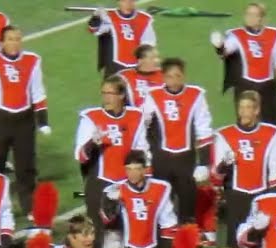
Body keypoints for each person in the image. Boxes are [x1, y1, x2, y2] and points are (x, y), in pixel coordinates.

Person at [0, 25, 49, 214]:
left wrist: (42, 120)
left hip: (24, 122)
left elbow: (38, 90)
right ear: (2, 42)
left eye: (17, 39)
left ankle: (29, 207)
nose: (14, 43)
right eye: (10, 39)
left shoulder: (32, 60)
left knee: (26, 167)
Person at [141, 57, 213, 221]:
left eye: (178, 76)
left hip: (185, 159)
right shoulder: (153, 96)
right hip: (161, 159)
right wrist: (147, 156)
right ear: (163, 77)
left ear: (184, 76)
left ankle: (187, 241)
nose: (174, 80)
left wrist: (203, 163)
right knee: (159, 205)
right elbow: (143, 127)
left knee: (188, 206)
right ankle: (161, 242)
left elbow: (204, 129)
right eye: (170, 76)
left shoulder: (196, 95)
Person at [74, 77, 149, 230]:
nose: (106, 98)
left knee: (131, 231)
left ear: (122, 95)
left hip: (128, 183)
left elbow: (143, 150)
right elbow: (79, 155)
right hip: (100, 183)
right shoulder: (90, 117)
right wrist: (92, 144)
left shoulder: (136, 116)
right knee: (100, 233)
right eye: (104, 93)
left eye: (111, 93)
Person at [211, 90, 276, 246]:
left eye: (248, 108)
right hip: (236, 194)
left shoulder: (271, 134)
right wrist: (225, 164)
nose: (243, 112)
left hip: (262, 193)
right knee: (234, 238)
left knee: (265, 236)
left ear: (256, 110)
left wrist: (273, 198)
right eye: (241, 108)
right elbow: (216, 175)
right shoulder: (225, 135)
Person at [211, 2, 276, 126]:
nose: (250, 17)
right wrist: (219, 46)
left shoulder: (273, 35)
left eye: (254, 14)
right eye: (248, 14)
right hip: (245, 85)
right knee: (246, 121)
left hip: (268, 86)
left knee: (270, 123)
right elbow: (225, 52)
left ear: (262, 18)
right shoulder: (237, 35)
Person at [88, 0, 157, 77]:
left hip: (136, 67)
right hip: (114, 67)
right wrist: (96, 17)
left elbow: (149, 44)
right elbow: (93, 30)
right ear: (119, 2)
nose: (129, 2)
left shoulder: (144, 19)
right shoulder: (109, 17)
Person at [117, 45, 164, 109]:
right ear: (140, 61)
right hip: (134, 115)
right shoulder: (124, 76)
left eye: (157, 58)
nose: (157, 61)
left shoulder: (165, 75)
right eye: (152, 58)